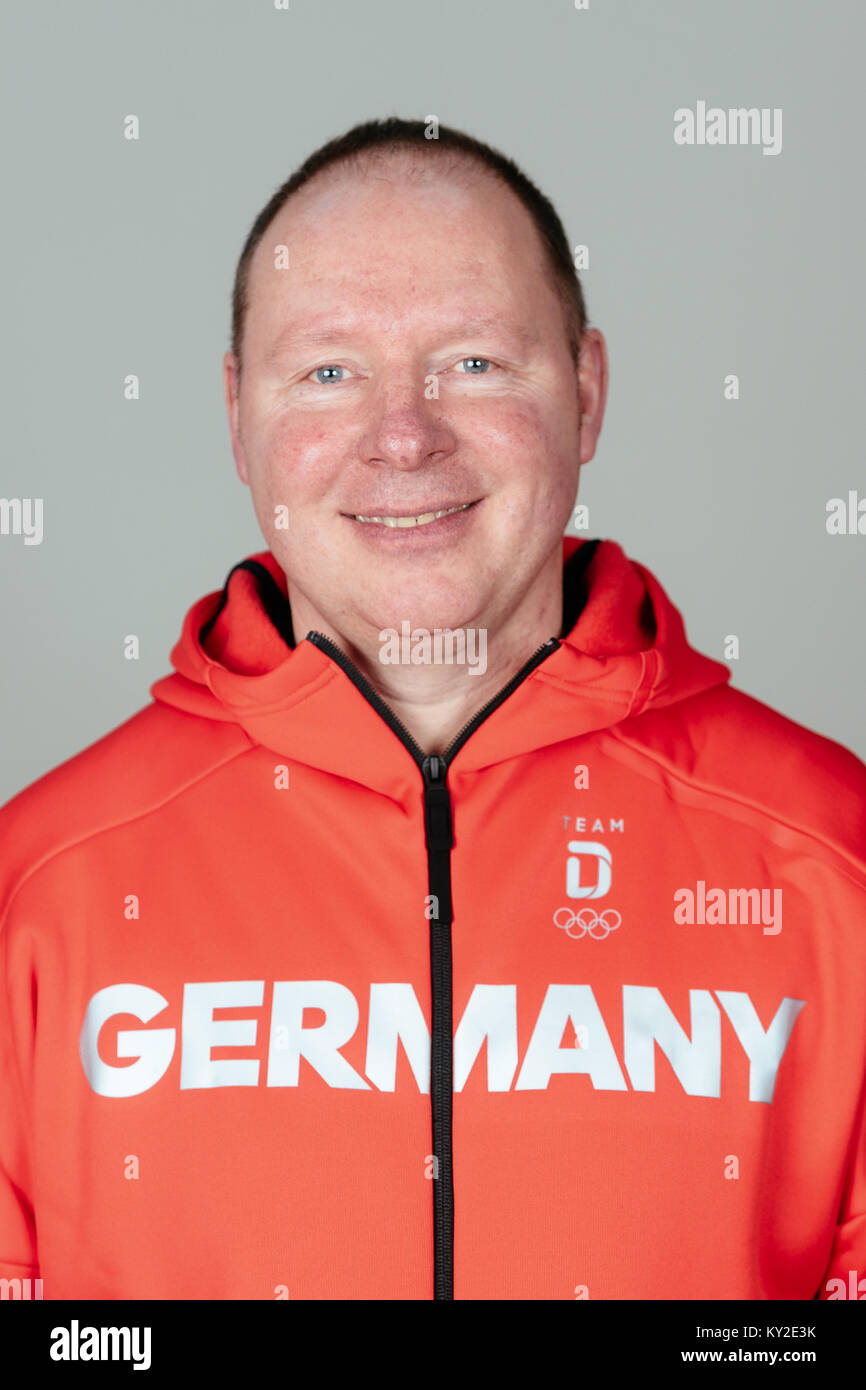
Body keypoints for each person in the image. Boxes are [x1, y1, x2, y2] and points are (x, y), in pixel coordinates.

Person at [1, 117, 864, 1303]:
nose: (403, 436)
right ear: (237, 413)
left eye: (473, 362)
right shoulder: (39, 883)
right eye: (328, 372)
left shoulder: (832, 852)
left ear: (588, 391)